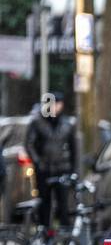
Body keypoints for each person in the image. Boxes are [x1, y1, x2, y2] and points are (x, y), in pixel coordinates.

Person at [25, 92, 79, 233]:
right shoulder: (37, 121)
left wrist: (73, 170)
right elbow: (29, 144)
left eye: (58, 104)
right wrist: (38, 163)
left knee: (63, 205)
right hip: (44, 170)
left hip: (62, 169)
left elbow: (73, 149)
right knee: (44, 203)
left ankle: (65, 237)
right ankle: (44, 234)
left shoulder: (67, 124)